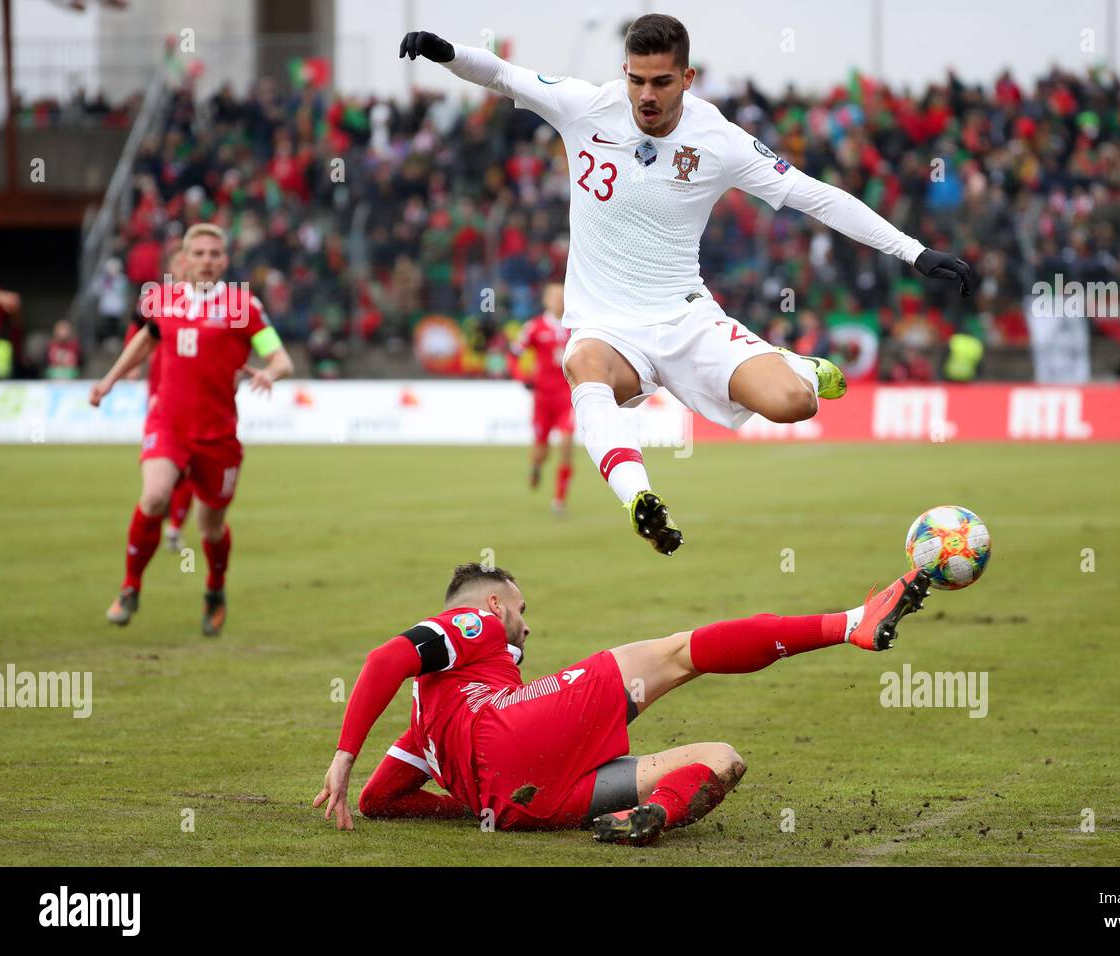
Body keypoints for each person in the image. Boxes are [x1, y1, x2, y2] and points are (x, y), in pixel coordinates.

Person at [400, 15, 975, 555]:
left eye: (661, 81)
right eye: (636, 79)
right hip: (605, 325)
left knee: (793, 405)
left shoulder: (719, 140)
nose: (645, 95)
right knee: (583, 366)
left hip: (685, 319)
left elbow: (814, 195)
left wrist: (913, 251)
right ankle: (639, 498)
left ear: (687, 78)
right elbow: (501, 74)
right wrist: (445, 52)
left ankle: (798, 368)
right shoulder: (585, 107)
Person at [315, 562, 932, 845]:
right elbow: (384, 660)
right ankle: (849, 622)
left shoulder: (426, 723)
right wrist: (344, 755)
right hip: (511, 728)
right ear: (494, 605)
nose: (526, 628)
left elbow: (380, 802)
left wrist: (479, 807)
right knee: (679, 654)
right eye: (521, 611)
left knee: (721, 758)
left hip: (525, 804)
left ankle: (649, 816)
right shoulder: (472, 621)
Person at [90, 223, 294, 635]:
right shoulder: (162, 299)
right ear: (183, 259)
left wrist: (271, 372)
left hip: (217, 436)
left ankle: (215, 589)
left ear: (225, 260)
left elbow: (281, 358)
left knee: (210, 528)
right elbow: (148, 340)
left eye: (213, 254)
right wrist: (110, 379)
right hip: (169, 423)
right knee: (154, 496)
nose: (206, 261)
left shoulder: (243, 306)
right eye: (197, 253)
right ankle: (130, 588)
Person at [125, 245, 197, 553]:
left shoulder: (212, 303)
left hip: (199, 397)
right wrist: (132, 365)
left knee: (191, 468)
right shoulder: (158, 302)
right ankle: (161, 509)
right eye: (179, 266)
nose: (185, 270)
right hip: (162, 395)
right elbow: (137, 330)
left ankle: (175, 526)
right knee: (165, 466)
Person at [509, 282, 574, 514]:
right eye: (555, 297)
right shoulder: (534, 327)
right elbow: (513, 354)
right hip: (542, 399)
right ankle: (536, 466)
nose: (559, 301)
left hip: (567, 397)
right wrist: (522, 377)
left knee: (566, 443)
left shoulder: (575, 327)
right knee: (541, 451)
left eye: (562, 296)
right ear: (546, 301)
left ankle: (559, 500)